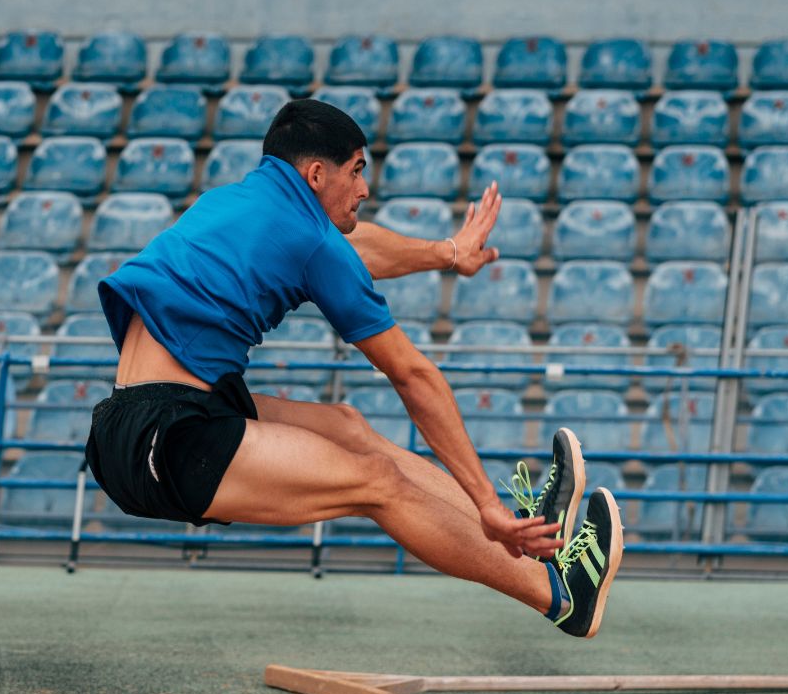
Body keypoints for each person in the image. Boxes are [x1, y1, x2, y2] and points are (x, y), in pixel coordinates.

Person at [86, 99, 622, 638]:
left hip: (152, 416)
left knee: (348, 427)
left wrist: (449, 252)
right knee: (380, 483)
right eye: (357, 170)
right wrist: (483, 500)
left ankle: (530, 545)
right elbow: (413, 375)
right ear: (316, 173)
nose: (365, 188)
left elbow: (353, 248)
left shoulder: (233, 204)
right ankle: (558, 595)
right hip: (163, 438)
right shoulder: (307, 237)